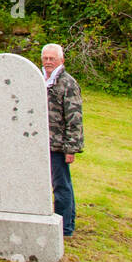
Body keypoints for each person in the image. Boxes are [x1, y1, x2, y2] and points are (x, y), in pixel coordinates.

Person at [41, 43, 83, 237]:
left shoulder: (67, 83)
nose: (48, 62)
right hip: (41, 142)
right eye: (46, 58)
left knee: (61, 186)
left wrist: (71, 148)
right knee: (51, 183)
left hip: (58, 145)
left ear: (61, 60)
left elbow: (74, 118)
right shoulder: (40, 79)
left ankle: (65, 227)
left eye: (52, 59)